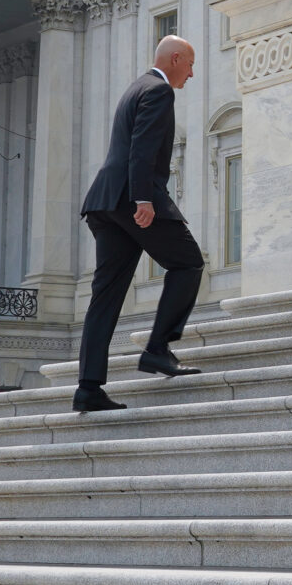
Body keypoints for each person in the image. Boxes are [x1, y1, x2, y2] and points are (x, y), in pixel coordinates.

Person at [71, 33, 205, 413]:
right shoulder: (159, 91)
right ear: (175, 58)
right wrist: (143, 199)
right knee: (189, 262)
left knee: (106, 295)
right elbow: (142, 148)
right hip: (131, 200)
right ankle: (158, 349)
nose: (192, 74)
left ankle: (88, 387)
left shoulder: (135, 88)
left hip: (104, 202)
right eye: (191, 64)